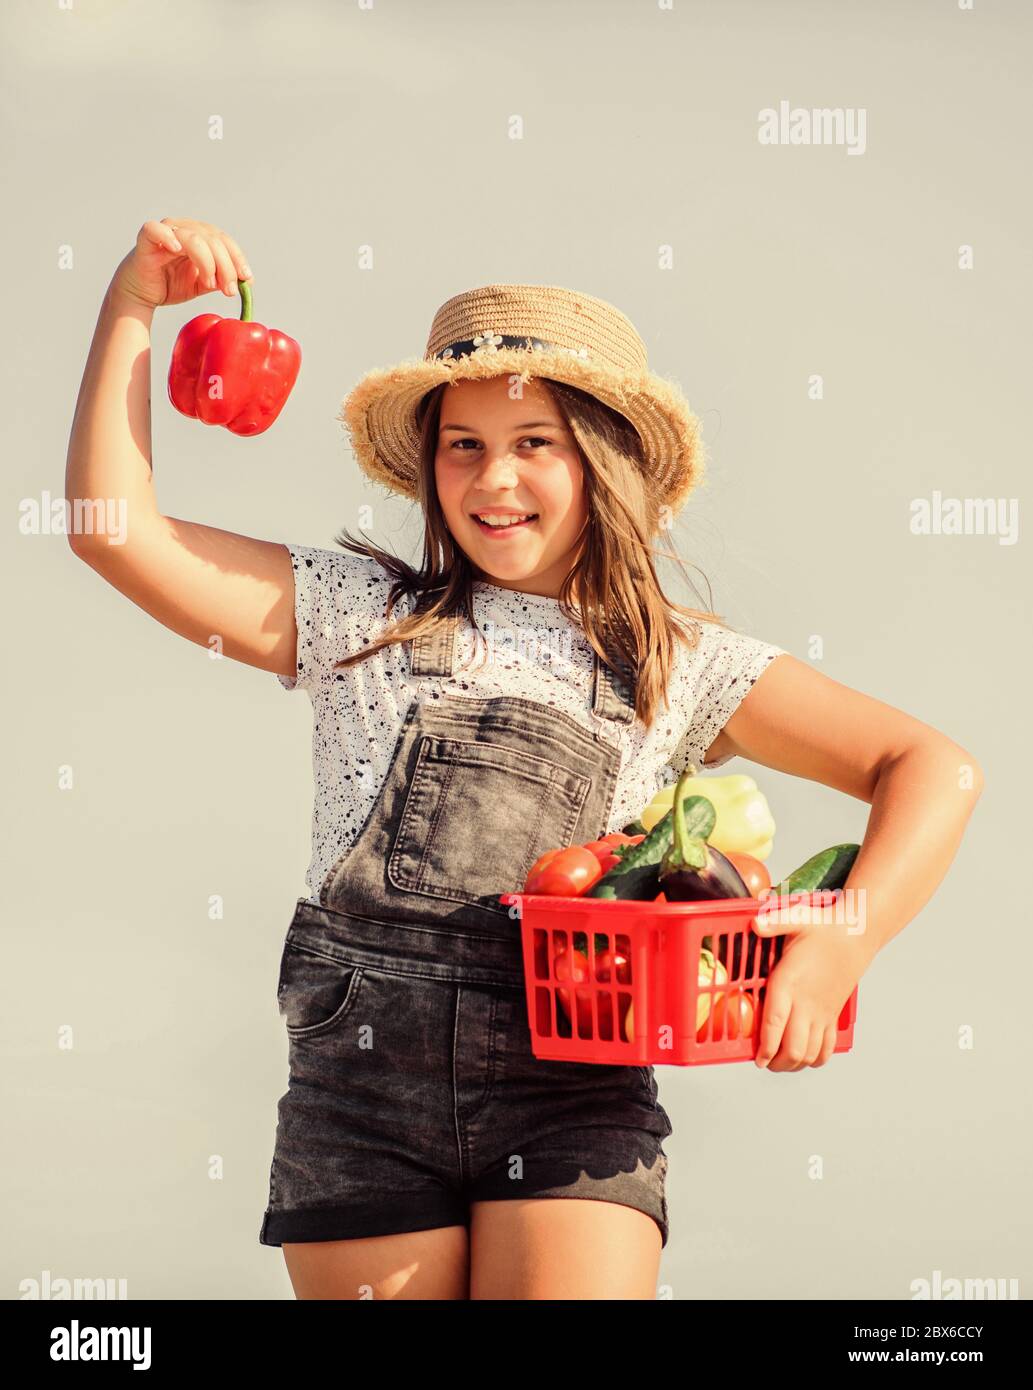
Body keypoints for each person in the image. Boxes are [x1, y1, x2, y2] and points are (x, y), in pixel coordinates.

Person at [66, 218, 984, 1301]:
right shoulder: (360, 612)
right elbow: (109, 528)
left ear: (605, 459)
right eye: (464, 443)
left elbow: (928, 764)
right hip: (359, 1095)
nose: (493, 477)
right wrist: (131, 302)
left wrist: (844, 936)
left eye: (534, 441)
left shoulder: (680, 661)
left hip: (573, 1097)